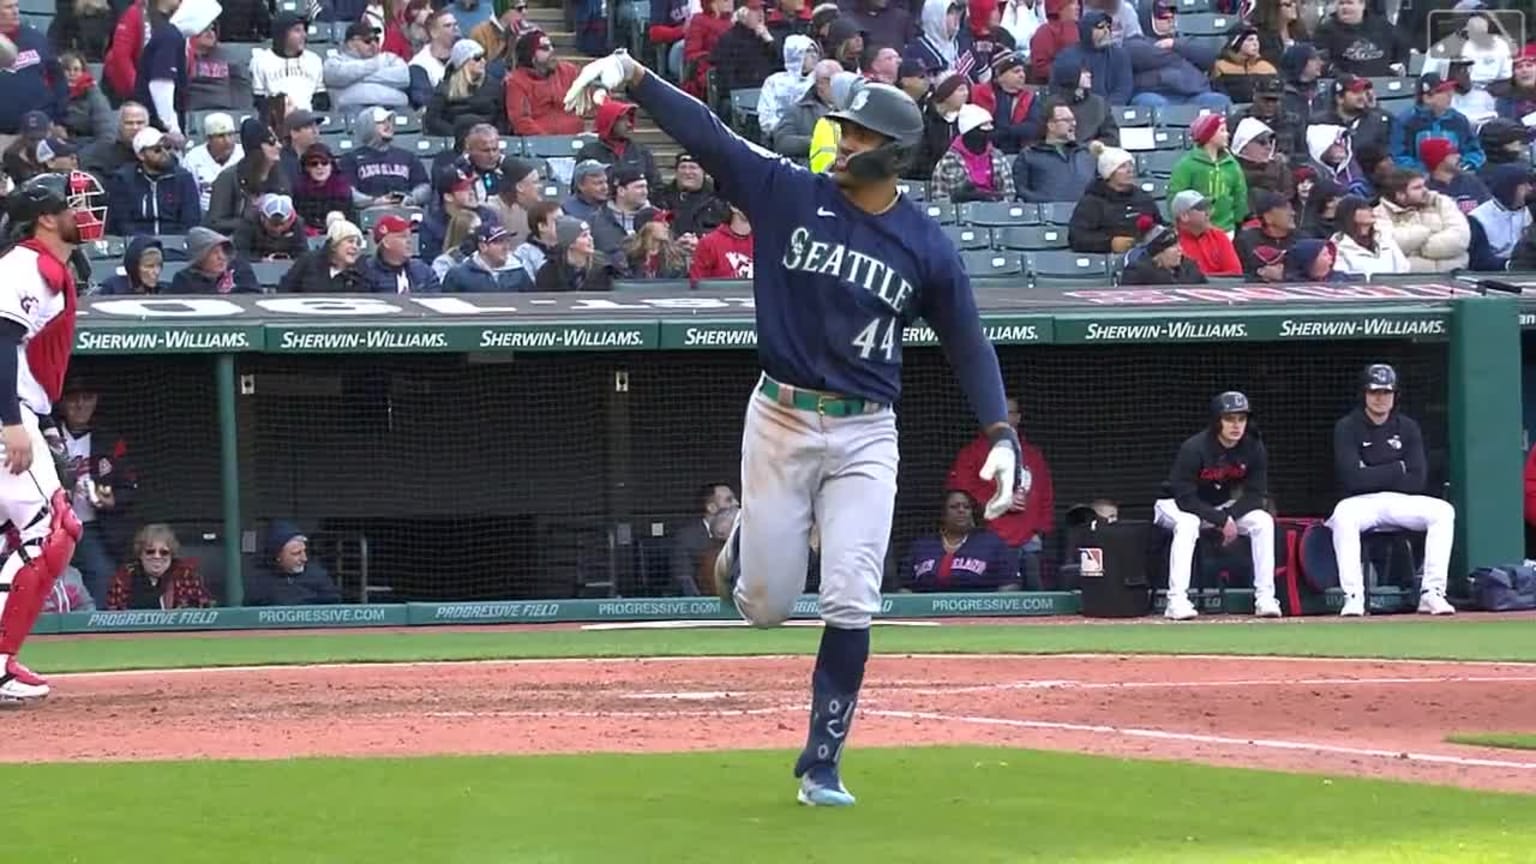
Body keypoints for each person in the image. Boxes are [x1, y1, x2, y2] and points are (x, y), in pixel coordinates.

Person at [562, 50, 1019, 807]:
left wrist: (999, 431)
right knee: (768, 606)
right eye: (841, 128)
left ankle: (823, 762)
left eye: (857, 136)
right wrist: (636, 77)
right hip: (779, 416)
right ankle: (747, 545)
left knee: (850, 595)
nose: (840, 141)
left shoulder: (926, 246)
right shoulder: (785, 191)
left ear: (895, 156)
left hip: (867, 431)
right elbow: (709, 137)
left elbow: (968, 340)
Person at [0, 174, 92, 703]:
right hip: (6, 416)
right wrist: (13, 421)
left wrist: (41, 418)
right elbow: (1, 344)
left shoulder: (44, 266)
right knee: (51, 530)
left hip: (21, 410)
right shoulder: (28, 265)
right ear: (46, 217)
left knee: (16, 536)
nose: (82, 211)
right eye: (72, 204)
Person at [1329, 364, 1455, 618]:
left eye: (1386, 392)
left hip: (1400, 501)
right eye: (1374, 392)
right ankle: (1353, 596)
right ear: (1364, 394)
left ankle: (1432, 593)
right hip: (1361, 503)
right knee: (1342, 516)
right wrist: (1397, 468)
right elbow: (1352, 479)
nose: (1380, 398)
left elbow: (1417, 480)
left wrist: (1371, 471)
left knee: (1443, 511)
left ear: (1395, 395)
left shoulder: (1407, 427)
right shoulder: (1347, 426)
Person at [1152, 391, 1279, 621]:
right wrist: (1222, 520)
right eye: (1229, 419)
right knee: (1188, 523)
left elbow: (1256, 494)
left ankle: (1265, 597)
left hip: (1217, 507)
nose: (1236, 425)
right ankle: (1176, 600)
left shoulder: (1253, 447)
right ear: (1216, 420)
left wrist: (1229, 516)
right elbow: (1185, 498)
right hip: (1174, 505)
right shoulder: (1195, 447)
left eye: (1241, 419)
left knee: (1262, 521)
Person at [943, 395, 1052, 589]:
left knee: (1037, 595)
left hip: (1029, 539)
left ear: (1017, 417)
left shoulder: (1033, 454)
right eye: (999, 413)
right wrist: (998, 502)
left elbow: (1045, 494)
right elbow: (960, 492)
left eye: (1009, 413)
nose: (1004, 418)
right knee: (1000, 597)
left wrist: (1039, 530)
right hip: (989, 537)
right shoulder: (972, 453)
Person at [900, 491, 1018, 591]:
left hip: (979, 614)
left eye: (966, 507)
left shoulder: (991, 544)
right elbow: (905, 589)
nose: (961, 510)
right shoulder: (922, 546)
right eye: (954, 507)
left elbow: (1009, 587)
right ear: (943, 514)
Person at [1168, 114, 1246, 235]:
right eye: (1222, 131)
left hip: (1227, 230)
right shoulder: (1187, 165)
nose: (1227, 135)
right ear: (1209, 135)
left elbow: (1240, 194)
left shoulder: (1232, 164)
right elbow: (1175, 196)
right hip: (1196, 232)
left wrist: (1237, 219)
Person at [104, 524, 212, 611]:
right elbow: (113, 612)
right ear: (140, 554)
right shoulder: (125, 575)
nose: (157, 556)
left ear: (171, 555)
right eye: (150, 552)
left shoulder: (186, 574)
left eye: (164, 552)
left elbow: (204, 610)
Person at [929, 104, 1015, 202]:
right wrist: (956, 199)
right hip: (961, 214)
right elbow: (938, 201)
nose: (990, 130)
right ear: (970, 131)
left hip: (995, 213)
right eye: (984, 126)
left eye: (990, 125)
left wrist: (994, 199)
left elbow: (1009, 194)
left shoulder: (998, 157)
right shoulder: (948, 162)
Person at [278, 213, 368, 292]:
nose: (355, 247)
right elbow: (285, 288)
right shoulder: (308, 261)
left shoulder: (362, 272)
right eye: (350, 241)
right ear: (335, 244)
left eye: (358, 243)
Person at [1120, 217, 1204, 285]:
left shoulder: (1190, 269)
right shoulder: (1138, 272)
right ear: (1158, 253)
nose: (1180, 250)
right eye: (1173, 247)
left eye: (1178, 245)